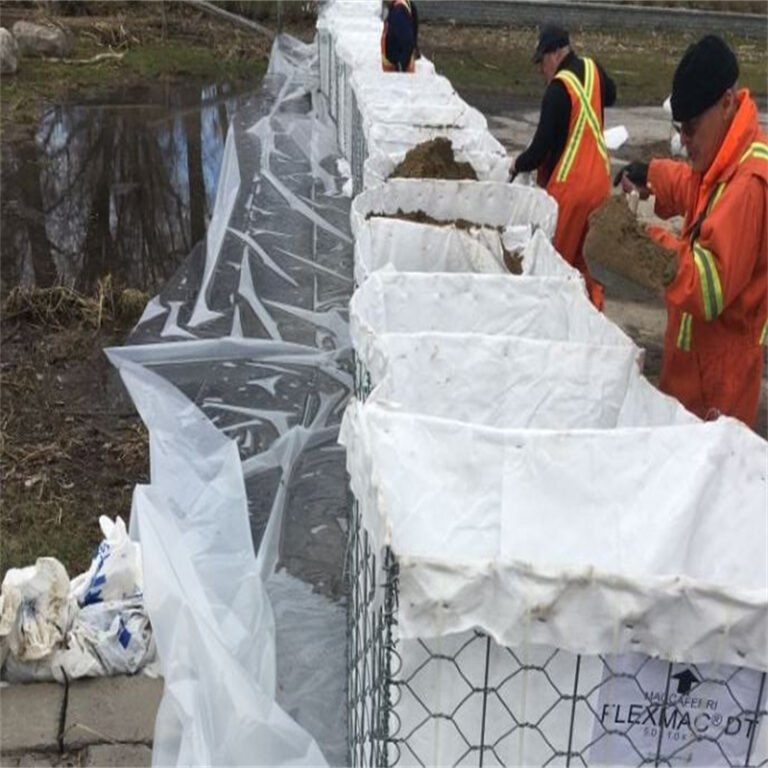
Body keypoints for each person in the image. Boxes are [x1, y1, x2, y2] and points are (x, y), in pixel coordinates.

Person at [615, 35, 767, 428]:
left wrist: (640, 243)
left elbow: (707, 285)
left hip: (718, 389)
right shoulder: (725, 155)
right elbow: (695, 187)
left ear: (727, 102)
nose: (684, 141)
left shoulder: (750, 183)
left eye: (691, 129)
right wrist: (652, 174)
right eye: (679, 129)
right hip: (693, 369)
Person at [511, 24, 616, 309]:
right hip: (600, 186)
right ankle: (594, 311)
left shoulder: (559, 90)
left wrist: (516, 164)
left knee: (558, 264)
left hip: (571, 191)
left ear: (555, 54)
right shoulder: (594, 71)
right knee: (587, 260)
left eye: (542, 61)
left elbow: (539, 148)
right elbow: (612, 95)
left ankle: (560, 318)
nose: (541, 70)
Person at [381, 0, 418, 73]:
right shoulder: (402, 5)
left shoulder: (398, 12)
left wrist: (401, 66)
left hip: (398, 75)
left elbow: (407, 42)